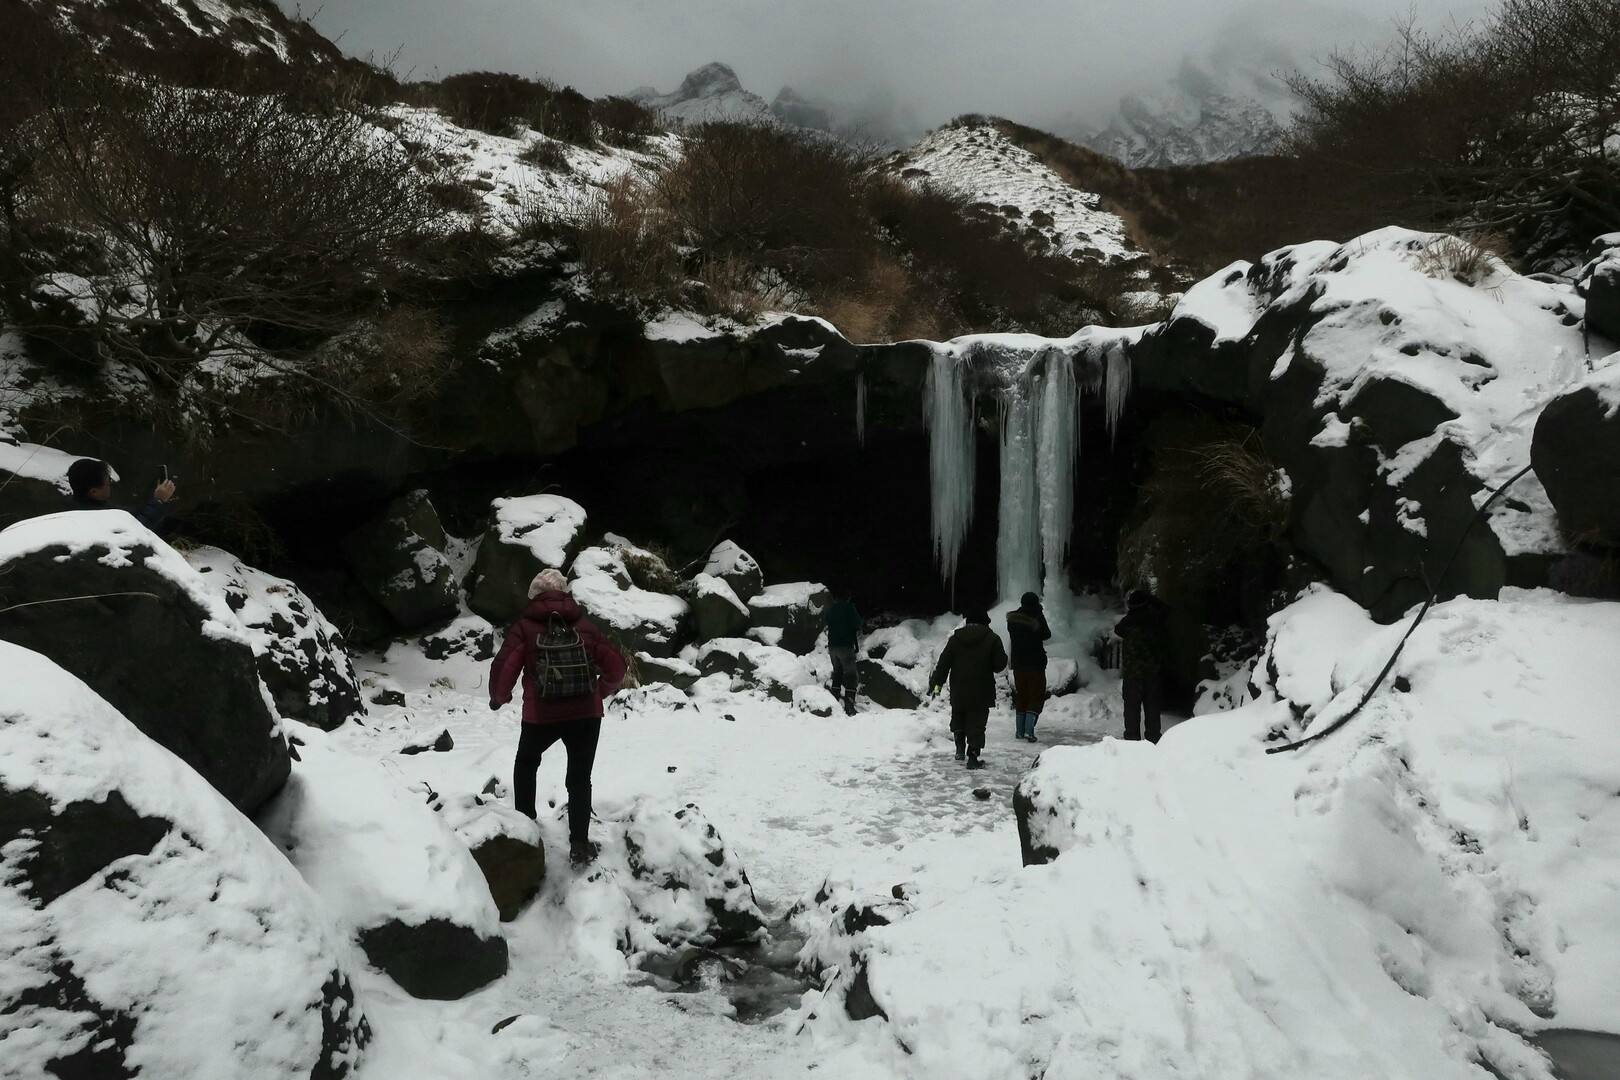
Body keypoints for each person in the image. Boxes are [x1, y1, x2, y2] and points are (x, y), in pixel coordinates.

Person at [490, 568, 627, 867]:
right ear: (565, 594)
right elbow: (616, 667)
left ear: (534, 595)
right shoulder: (585, 625)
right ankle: (579, 844)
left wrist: (499, 698)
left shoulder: (524, 628)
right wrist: (600, 690)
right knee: (580, 779)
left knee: (526, 764)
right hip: (586, 715)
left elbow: (505, 667)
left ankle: (526, 829)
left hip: (542, 715)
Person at [929, 609, 1008, 770]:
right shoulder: (992, 639)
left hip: (959, 687)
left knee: (959, 714)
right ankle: (972, 755)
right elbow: (1000, 665)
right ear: (985, 622)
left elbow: (944, 663)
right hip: (982, 689)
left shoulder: (955, 639)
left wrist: (936, 684)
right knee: (977, 721)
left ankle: (959, 747)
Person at [1115, 591, 1170, 743]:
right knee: (1152, 708)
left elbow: (1117, 630)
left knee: (1132, 709)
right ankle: (1153, 740)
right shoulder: (1154, 619)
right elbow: (1167, 610)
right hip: (1152, 673)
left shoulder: (1128, 621)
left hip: (1132, 674)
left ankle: (1132, 740)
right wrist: (1153, 599)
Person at [65, 458, 175, 531]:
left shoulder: (76, 505)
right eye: (108, 483)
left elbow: (129, 514)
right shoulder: (97, 518)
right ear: (94, 491)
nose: (111, 485)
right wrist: (158, 501)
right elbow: (138, 529)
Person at [1006, 591, 1051, 743]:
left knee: (1022, 695)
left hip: (1018, 665)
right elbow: (1046, 635)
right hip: (1035, 664)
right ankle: (1029, 731)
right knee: (1036, 696)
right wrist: (1039, 614)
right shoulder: (1036, 619)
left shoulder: (1012, 621)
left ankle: (1019, 730)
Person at [824, 591, 862, 716]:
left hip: (832, 647)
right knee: (851, 675)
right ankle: (849, 706)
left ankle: (834, 701)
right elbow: (857, 624)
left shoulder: (831, 609)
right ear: (848, 597)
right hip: (845, 646)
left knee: (838, 672)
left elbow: (828, 620)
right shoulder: (849, 608)